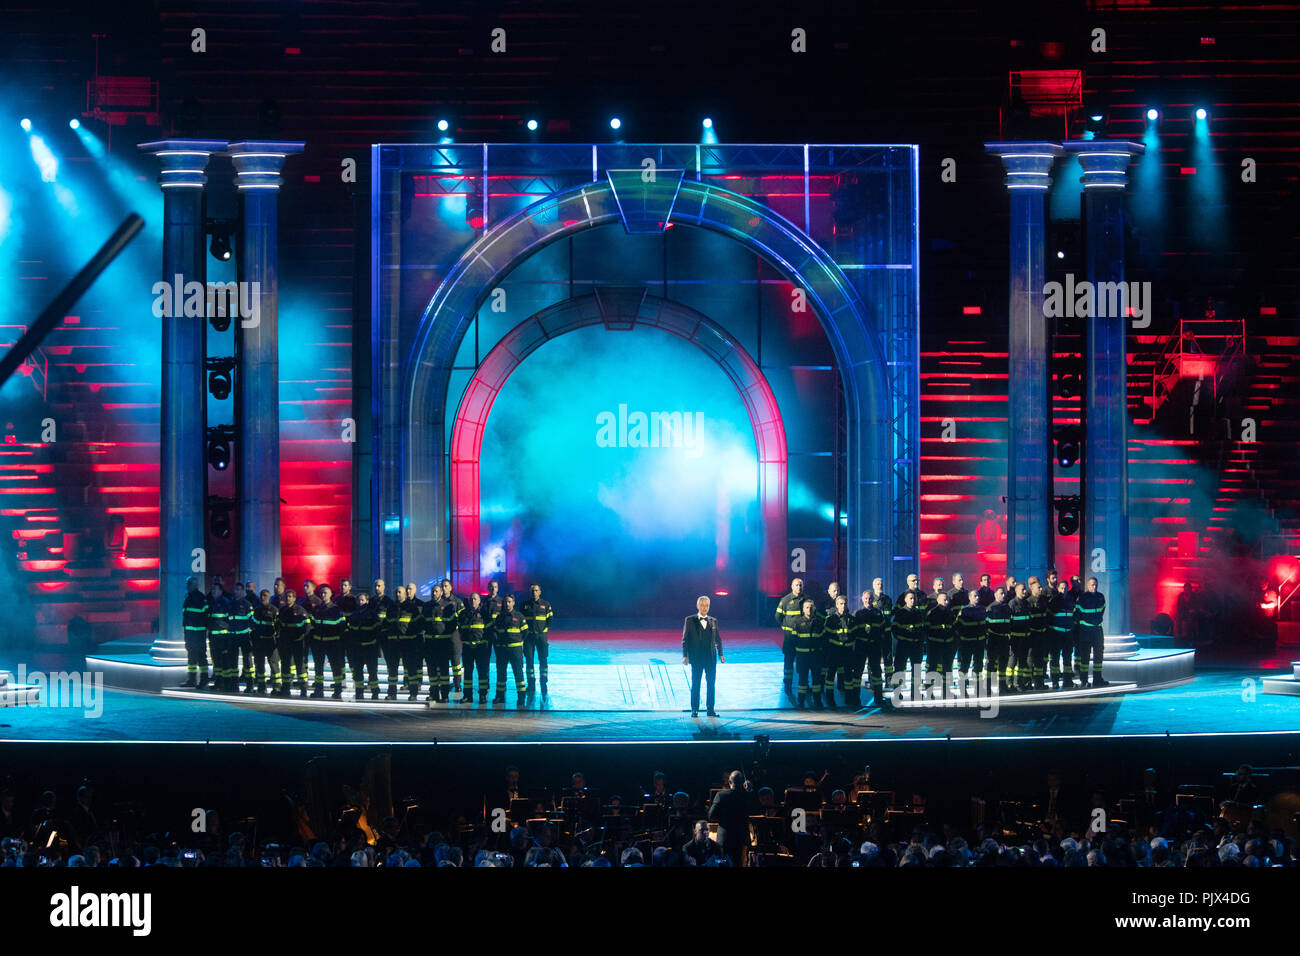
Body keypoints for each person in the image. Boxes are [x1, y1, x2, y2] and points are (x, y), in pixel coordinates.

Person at [681, 595, 724, 718]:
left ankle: (710, 710)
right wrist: (685, 656)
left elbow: (718, 639)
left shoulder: (713, 621)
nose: (704, 607)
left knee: (711, 684)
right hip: (696, 658)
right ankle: (694, 709)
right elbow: (685, 640)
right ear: (697, 606)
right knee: (696, 684)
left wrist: (721, 654)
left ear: (709, 607)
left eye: (706, 605)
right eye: (702, 605)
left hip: (710, 658)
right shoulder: (689, 620)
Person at [310, 584, 347, 699]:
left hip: (333, 643)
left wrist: (339, 643)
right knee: (318, 668)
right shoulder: (316, 609)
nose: (323, 595)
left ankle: (337, 690)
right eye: (321, 593)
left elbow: (342, 627)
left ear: (331, 594)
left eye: (325, 592)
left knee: (335, 667)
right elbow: (312, 626)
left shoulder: (336, 610)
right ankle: (318, 690)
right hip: (319, 643)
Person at [708, 771, 751, 866]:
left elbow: (711, 816)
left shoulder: (721, 795)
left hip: (725, 838)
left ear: (729, 782)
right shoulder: (748, 796)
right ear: (743, 783)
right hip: (742, 838)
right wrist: (749, 790)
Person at [492, 595, 528, 705]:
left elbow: (525, 632)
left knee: (518, 673)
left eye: (509, 602)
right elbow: (496, 632)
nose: (507, 604)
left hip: (515, 650)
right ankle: (500, 696)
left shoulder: (519, 616)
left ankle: (521, 697)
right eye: (505, 602)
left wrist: (518, 642)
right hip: (502, 650)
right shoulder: (499, 617)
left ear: (513, 603)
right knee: (501, 674)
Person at [276, 589, 312, 696]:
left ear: (294, 598)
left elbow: (307, 626)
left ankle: (303, 688)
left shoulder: (301, 610)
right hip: (285, 641)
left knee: (299, 665)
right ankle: (285, 688)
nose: (288, 598)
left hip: (298, 642)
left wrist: (301, 636)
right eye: (287, 596)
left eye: (290, 596)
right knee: (285, 665)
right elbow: (278, 625)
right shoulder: (282, 610)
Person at [822, 593, 856, 709]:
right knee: (831, 676)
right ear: (836, 605)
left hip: (847, 651)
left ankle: (849, 698)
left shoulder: (852, 619)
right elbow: (826, 637)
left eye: (845, 604)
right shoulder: (830, 620)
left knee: (848, 676)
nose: (843, 606)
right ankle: (830, 698)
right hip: (834, 651)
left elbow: (855, 635)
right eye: (841, 604)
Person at [891, 590, 926, 699]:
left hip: (916, 645)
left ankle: (915, 692)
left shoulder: (919, 613)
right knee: (900, 669)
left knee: (916, 669)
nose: (912, 600)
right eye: (910, 598)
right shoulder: (900, 613)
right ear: (905, 600)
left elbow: (923, 629)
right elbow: (895, 629)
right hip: (904, 645)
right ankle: (897, 692)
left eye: (914, 598)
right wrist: (903, 638)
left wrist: (920, 640)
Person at [854, 589, 887, 709]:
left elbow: (883, 630)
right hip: (861, 646)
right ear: (862, 599)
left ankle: (879, 697)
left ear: (873, 600)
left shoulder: (878, 613)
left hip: (874, 646)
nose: (868, 600)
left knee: (877, 672)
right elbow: (854, 631)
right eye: (866, 598)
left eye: (870, 598)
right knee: (858, 671)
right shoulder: (857, 614)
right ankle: (856, 698)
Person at [520, 584, 554, 698]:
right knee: (529, 661)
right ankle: (531, 684)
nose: (534, 592)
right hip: (529, 638)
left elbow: (550, 618)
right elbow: (521, 621)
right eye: (532, 590)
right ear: (529, 592)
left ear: (540, 592)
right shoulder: (524, 605)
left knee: (543, 660)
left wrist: (544, 630)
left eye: (536, 590)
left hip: (541, 637)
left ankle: (544, 683)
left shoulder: (546, 605)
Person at [347, 591, 382, 701]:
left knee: (372, 671)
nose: (360, 602)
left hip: (370, 647)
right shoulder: (354, 615)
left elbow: (377, 630)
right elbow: (350, 631)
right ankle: (359, 692)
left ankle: (375, 692)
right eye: (358, 600)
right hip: (357, 647)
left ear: (367, 601)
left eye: (362, 600)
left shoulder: (372, 614)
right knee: (358, 671)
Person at [460, 591, 493, 704]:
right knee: (468, 673)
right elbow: (460, 629)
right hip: (467, 647)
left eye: (475, 599)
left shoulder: (485, 613)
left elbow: (489, 630)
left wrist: (483, 643)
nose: (472, 601)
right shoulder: (463, 614)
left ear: (479, 601)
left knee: (482, 673)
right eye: (471, 599)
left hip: (481, 647)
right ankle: (467, 695)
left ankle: (483, 695)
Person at [774, 578, 806, 696]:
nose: (799, 587)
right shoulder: (785, 600)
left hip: (803, 640)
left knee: (803, 664)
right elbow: (777, 617)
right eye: (796, 585)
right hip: (790, 640)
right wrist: (785, 627)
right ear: (792, 587)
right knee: (788, 663)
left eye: (800, 585)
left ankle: (803, 685)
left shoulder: (807, 600)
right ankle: (787, 684)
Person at [791, 598, 824, 709]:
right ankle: (801, 701)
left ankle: (817, 701)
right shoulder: (798, 623)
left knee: (816, 680)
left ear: (814, 608)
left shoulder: (819, 622)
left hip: (816, 656)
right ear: (803, 609)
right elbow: (793, 640)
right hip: (802, 656)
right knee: (802, 680)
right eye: (807, 607)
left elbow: (823, 639)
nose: (809, 609)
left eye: (811, 607)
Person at [1075, 577, 1107, 687]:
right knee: (1085, 656)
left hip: (1097, 630)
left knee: (1098, 656)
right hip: (1086, 630)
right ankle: (1084, 680)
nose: (1094, 587)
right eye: (1092, 585)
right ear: (1088, 586)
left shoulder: (1101, 597)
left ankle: (1097, 679)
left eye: (1096, 585)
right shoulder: (1082, 598)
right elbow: (1077, 614)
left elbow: (1102, 611)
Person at [179, 576, 210, 689]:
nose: (186, 586)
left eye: (188, 584)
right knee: (191, 657)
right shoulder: (188, 598)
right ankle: (192, 679)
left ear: (193, 585)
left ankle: (204, 679)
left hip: (198, 633)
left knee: (201, 656)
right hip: (191, 633)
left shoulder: (201, 598)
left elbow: (205, 616)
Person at [249, 588, 279, 694]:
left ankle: (276, 687)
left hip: (271, 641)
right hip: (259, 642)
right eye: (261, 595)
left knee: (274, 665)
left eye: (265, 595)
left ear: (269, 597)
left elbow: (278, 626)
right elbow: (252, 624)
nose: (263, 597)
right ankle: (261, 687)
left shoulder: (275, 610)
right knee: (259, 665)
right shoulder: (256, 610)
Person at [955, 588, 987, 688]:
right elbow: (958, 626)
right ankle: (962, 684)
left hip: (979, 642)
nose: (977, 598)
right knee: (965, 664)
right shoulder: (964, 610)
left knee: (978, 664)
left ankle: (978, 684)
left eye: (978, 596)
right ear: (969, 598)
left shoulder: (982, 609)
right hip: (966, 643)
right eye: (975, 596)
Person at [1050, 580, 1077, 690]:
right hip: (1056, 633)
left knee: (1067, 659)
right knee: (1055, 659)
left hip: (1068, 633)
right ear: (1058, 589)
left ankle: (1067, 681)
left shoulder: (1071, 600)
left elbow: (1074, 615)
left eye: (1065, 588)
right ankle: (1055, 681)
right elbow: (1050, 616)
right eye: (1061, 588)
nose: (1063, 590)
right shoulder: (1054, 600)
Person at [984, 586, 1013, 691]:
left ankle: (1002, 686)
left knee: (1003, 663)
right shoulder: (991, 608)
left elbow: (1010, 623)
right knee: (991, 663)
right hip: (993, 639)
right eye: (1001, 593)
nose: (1003, 595)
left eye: (1004, 593)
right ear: (995, 595)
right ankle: (987, 687)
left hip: (1004, 640)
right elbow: (986, 626)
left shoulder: (1007, 607)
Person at [207, 580, 232, 691]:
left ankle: (225, 683)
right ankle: (218, 681)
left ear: (221, 591)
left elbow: (230, 619)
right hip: (214, 637)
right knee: (216, 660)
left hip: (223, 638)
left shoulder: (226, 603)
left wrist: (227, 625)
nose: (213, 591)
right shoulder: (211, 603)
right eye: (212, 589)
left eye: (215, 589)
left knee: (223, 661)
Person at [1007, 583, 1032, 693]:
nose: (1024, 591)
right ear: (1016, 591)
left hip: (1025, 638)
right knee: (1012, 661)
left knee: (1021, 662)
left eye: (1025, 589)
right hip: (1015, 638)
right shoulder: (1012, 603)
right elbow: (1009, 622)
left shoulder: (1026, 603)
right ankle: (1008, 683)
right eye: (1022, 590)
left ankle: (1018, 682)